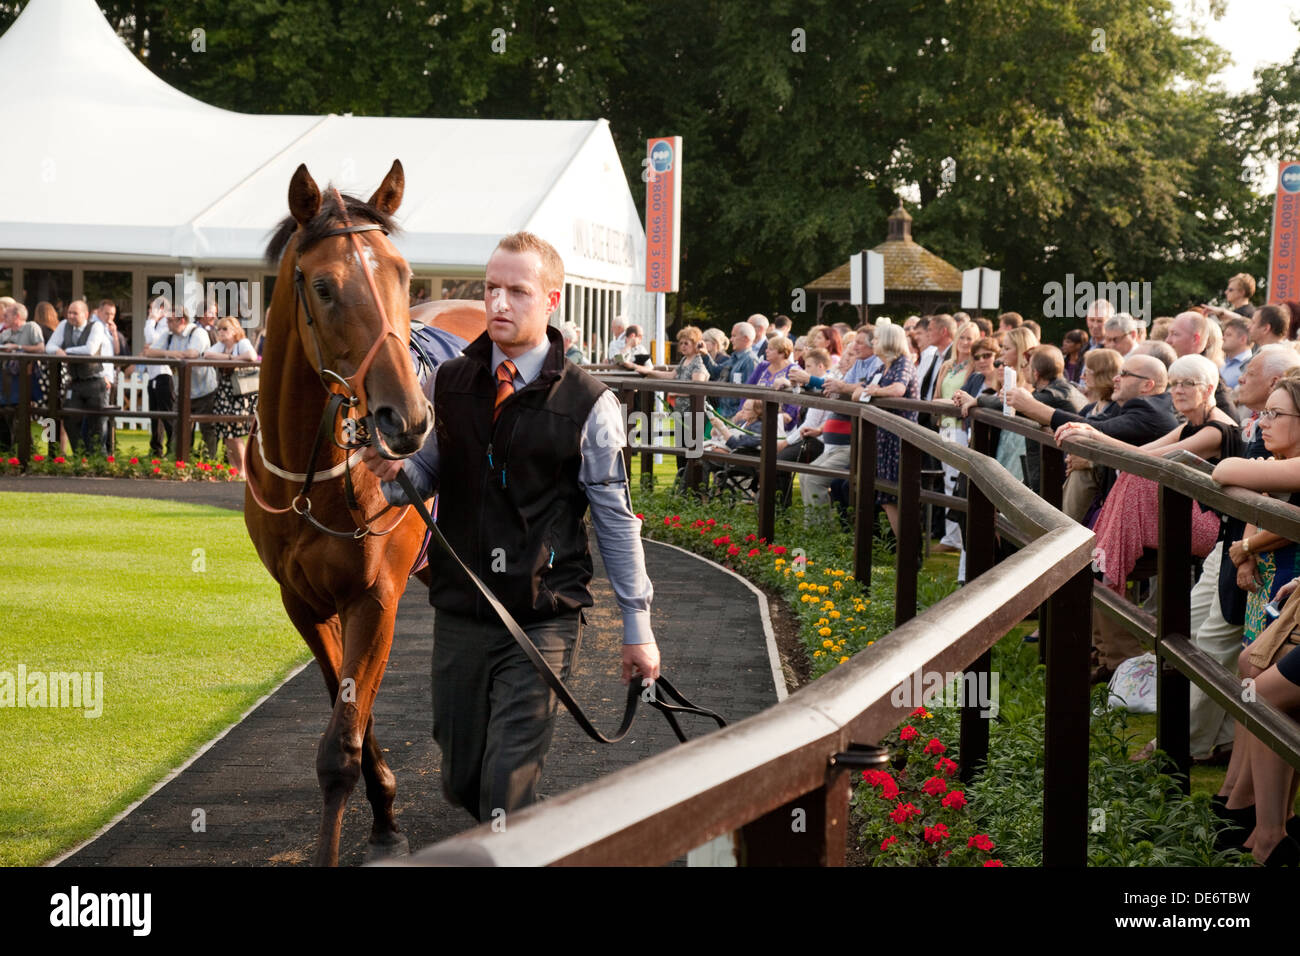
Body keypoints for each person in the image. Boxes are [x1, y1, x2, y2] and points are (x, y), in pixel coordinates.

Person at [363, 231, 658, 823]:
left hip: (541, 620)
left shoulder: (589, 404)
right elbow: (418, 481)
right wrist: (391, 472)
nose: (499, 303)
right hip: (460, 614)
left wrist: (638, 626)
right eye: (492, 288)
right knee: (462, 780)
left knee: (505, 789)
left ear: (551, 300)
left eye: (517, 291)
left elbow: (616, 522)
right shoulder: (447, 381)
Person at [1063, 355, 1240, 678]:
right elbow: (1140, 454)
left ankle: (1108, 554)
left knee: (1136, 481)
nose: (1179, 390)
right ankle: (1107, 556)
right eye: (1174, 384)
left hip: (1215, 530)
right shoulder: (1191, 424)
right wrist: (1091, 433)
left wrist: (1091, 434)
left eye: (1189, 384)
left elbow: (1155, 461)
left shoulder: (1217, 430)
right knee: (1133, 480)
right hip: (1184, 517)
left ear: (1210, 388)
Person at [851, 321, 919, 537]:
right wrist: (870, 390)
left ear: (889, 341)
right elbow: (860, 392)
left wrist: (875, 392)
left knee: (897, 495)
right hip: (883, 438)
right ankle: (903, 546)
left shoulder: (903, 364)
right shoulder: (883, 367)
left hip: (899, 438)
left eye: (877, 339)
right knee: (886, 496)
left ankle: (909, 549)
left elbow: (899, 389)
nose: (874, 342)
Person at [142, 307, 217, 460]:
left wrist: (168, 355)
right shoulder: (168, 335)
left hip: (204, 390)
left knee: (207, 428)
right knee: (179, 428)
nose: (166, 323)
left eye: (170, 320)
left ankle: (210, 463)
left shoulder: (198, 333)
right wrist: (172, 354)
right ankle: (179, 460)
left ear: (181, 320)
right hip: (182, 390)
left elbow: (192, 354)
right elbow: (149, 352)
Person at [932, 322, 980, 549]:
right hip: (944, 425)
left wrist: (951, 403)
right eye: (962, 338)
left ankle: (956, 538)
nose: (965, 343)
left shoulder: (975, 368)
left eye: (970, 338)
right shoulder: (948, 365)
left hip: (961, 429)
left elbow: (965, 401)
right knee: (946, 480)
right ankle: (951, 536)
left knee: (956, 481)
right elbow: (935, 397)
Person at [45, 300, 112, 452]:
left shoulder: (96, 326)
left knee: (97, 423)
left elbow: (90, 349)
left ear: (86, 314)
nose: (71, 316)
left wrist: (65, 351)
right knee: (69, 417)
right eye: (69, 312)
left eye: (75, 313)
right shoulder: (64, 325)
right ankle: (80, 454)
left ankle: (98, 459)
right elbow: (49, 346)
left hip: (95, 380)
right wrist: (57, 351)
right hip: (74, 381)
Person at [205, 317, 258, 473]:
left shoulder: (242, 343)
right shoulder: (220, 346)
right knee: (225, 432)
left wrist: (232, 359)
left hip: (239, 392)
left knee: (234, 433)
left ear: (235, 330)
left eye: (225, 329)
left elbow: (251, 356)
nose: (220, 332)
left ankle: (243, 470)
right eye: (219, 329)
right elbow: (207, 355)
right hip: (224, 391)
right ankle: (234, 469)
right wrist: (230, 358)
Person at [142, 297, 175, 457]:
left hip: (164, 374)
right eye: (149, 309)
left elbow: (152, 341)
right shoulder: (155, 324)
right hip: (152, 375)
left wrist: (150, 320)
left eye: (153, 309)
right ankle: (156, 449)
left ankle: (173, 447)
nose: (151, 312)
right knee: (155, 415)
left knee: (167, 415)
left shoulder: (165, 325)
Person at [630, 325, 710, 383]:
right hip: (679, 405)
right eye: (681, 343)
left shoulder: (698, 361)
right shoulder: (684, 359)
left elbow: (696, 388)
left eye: (686, 343)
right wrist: (649, 372)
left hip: (691, 405)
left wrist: (675, 393)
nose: (682, 346)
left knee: (626, 406)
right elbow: (671, 375)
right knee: (625, 405)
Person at [1219, 317, 1253, 390]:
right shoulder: (1224, 363)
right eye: (1224, 334)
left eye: (1228, 335)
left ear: (1243, 339)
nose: (1223, 338)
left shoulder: (1251, 366)